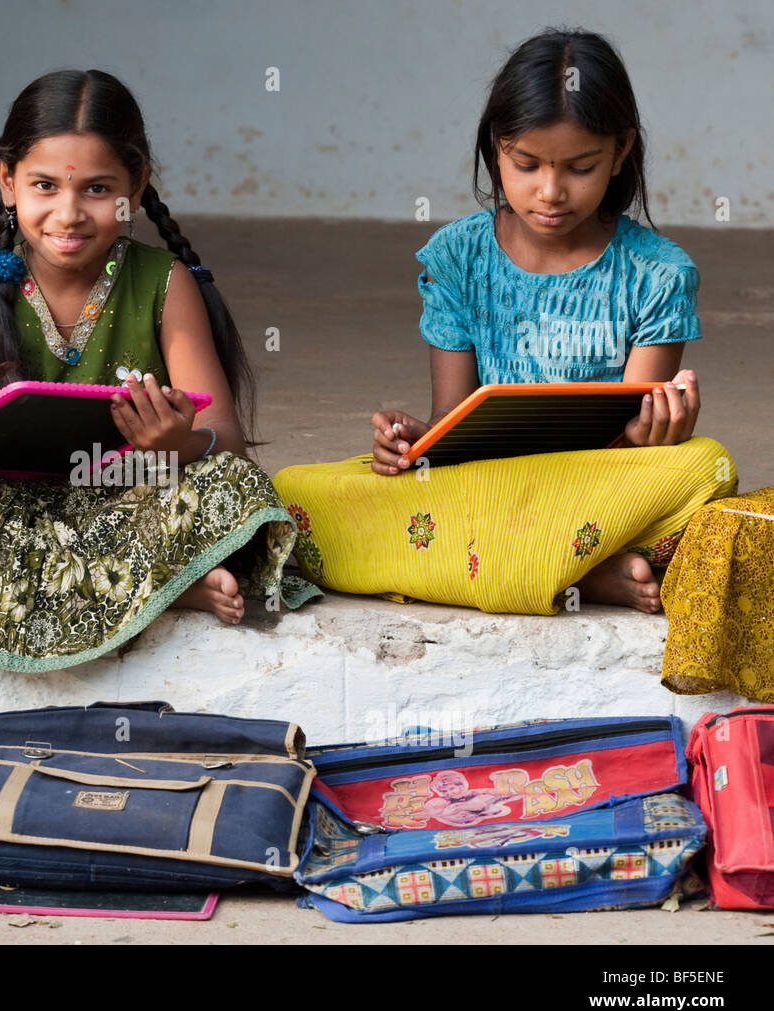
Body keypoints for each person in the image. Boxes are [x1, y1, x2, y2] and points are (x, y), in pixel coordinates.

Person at [0, 69, 318, 671]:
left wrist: (179, 443)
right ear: (7, 182)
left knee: (239, 491)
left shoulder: (164, 284)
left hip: (133, 501)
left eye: (98, 189)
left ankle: (151, 582)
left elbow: (228, 446)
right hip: (13, 511)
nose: (70, 213)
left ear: (136, 186)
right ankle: (163, 589)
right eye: (44, 186)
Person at [274, 29, 736, 615]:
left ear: (621, 152)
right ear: (497, 148)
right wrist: (415, 444)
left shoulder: (658, 274)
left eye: (580, 167)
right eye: (526, 164)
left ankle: (519, 564)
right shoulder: (458, 257)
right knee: (297, 491)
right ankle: (577, 570)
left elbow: (637, 448)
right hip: (484, 487)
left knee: (704, 465)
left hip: (594, 491)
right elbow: (453, 417)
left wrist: (652, 435)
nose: (550, 192)